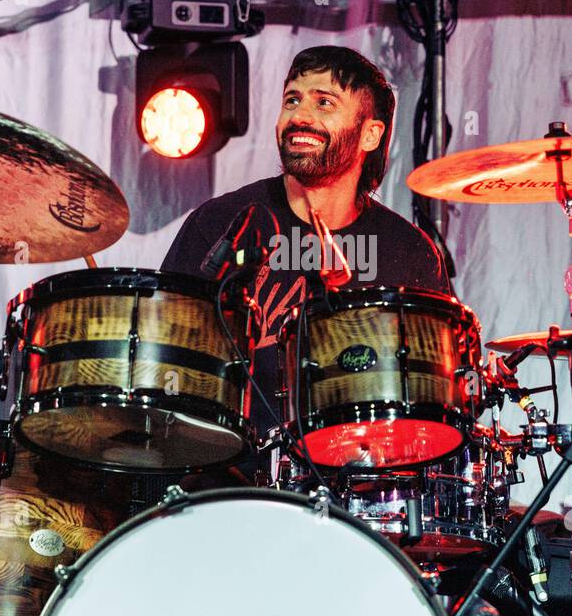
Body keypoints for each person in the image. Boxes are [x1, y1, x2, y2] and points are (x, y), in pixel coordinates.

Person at [162, 45, 451, 464]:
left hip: (363, 481)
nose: (300, 116)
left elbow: (435, 398)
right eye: (292, 100)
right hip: (228, 477)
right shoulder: (220, 224)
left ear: (370, 134)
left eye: (324, 102)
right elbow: (167, 369)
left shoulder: (408, 253)